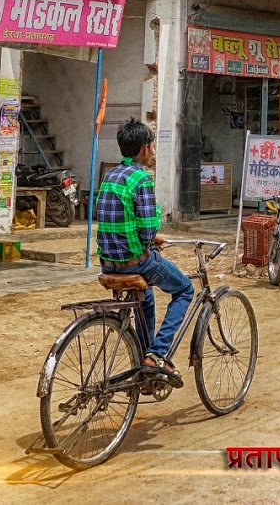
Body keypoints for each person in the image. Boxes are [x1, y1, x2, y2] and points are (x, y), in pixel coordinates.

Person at [95, 118, 194, 384]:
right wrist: (151, 238)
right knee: (185, 290)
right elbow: (148, 229)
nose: (152, 152)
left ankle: (144, 362)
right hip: (134, 262)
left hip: (108, 263)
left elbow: (120, 220)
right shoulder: (141, 179)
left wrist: (149, 238)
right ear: (144, 149)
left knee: (146, 297)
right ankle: (156, 354)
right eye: (151, 147)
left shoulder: (110, 176)